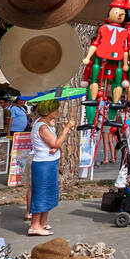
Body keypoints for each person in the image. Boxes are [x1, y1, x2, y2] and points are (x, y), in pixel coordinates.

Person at [28, 99, 73, 236]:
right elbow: (55, 143)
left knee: (49, 193)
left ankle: (42, 222)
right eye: (56, 110)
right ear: (48, 111)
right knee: (41, 194)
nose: (58, 112)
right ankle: (35, 225)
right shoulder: (42, 126)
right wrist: (66, 129)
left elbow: (51, 144)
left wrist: (54, 147)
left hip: (49, 162)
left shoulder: (45, 124)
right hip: (43, 165)